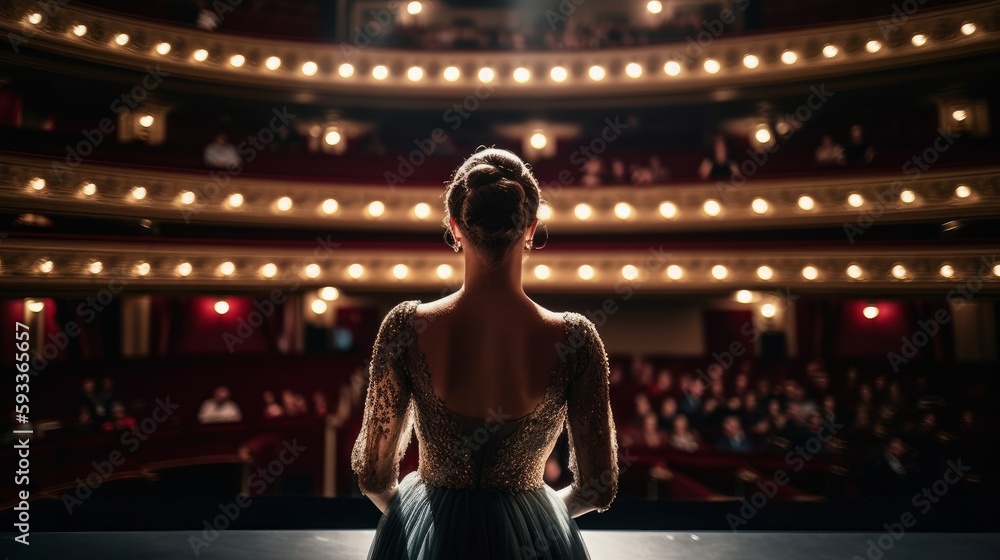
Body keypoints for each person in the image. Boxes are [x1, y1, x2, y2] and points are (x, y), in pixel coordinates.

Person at [352, 148, 618, 559]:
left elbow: (372, 475)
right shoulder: (577, 340)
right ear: (530, 228)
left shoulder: (404, 328)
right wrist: (535, 519)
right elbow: (598, 486)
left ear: (456, 228)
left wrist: (423, 516)